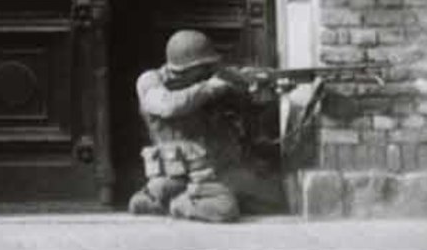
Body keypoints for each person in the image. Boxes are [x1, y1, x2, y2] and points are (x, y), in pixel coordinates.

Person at [126, 29, 321, 223]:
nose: (209, 71)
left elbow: (247, 113)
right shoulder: (150, 80)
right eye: (203, 68)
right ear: (185, 69)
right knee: (225, 208)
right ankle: (178, 203)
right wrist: (212, 87)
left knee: (273, 198)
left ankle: (166, 197)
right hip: (177, 170)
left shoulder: (208, 83)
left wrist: (266, 92)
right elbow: (168, 106)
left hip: (211, 167)